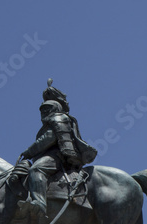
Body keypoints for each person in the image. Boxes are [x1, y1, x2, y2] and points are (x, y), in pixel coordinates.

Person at [18, 81, 97, 215]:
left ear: (54, 109)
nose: (43, 113)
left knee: (36, 169)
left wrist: (29, 152)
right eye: (42, 110)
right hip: (50, 155)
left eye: (46, 110)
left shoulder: (58, 119)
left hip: (57, 156)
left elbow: (49, 139)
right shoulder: (52, 122)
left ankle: (39, 204)